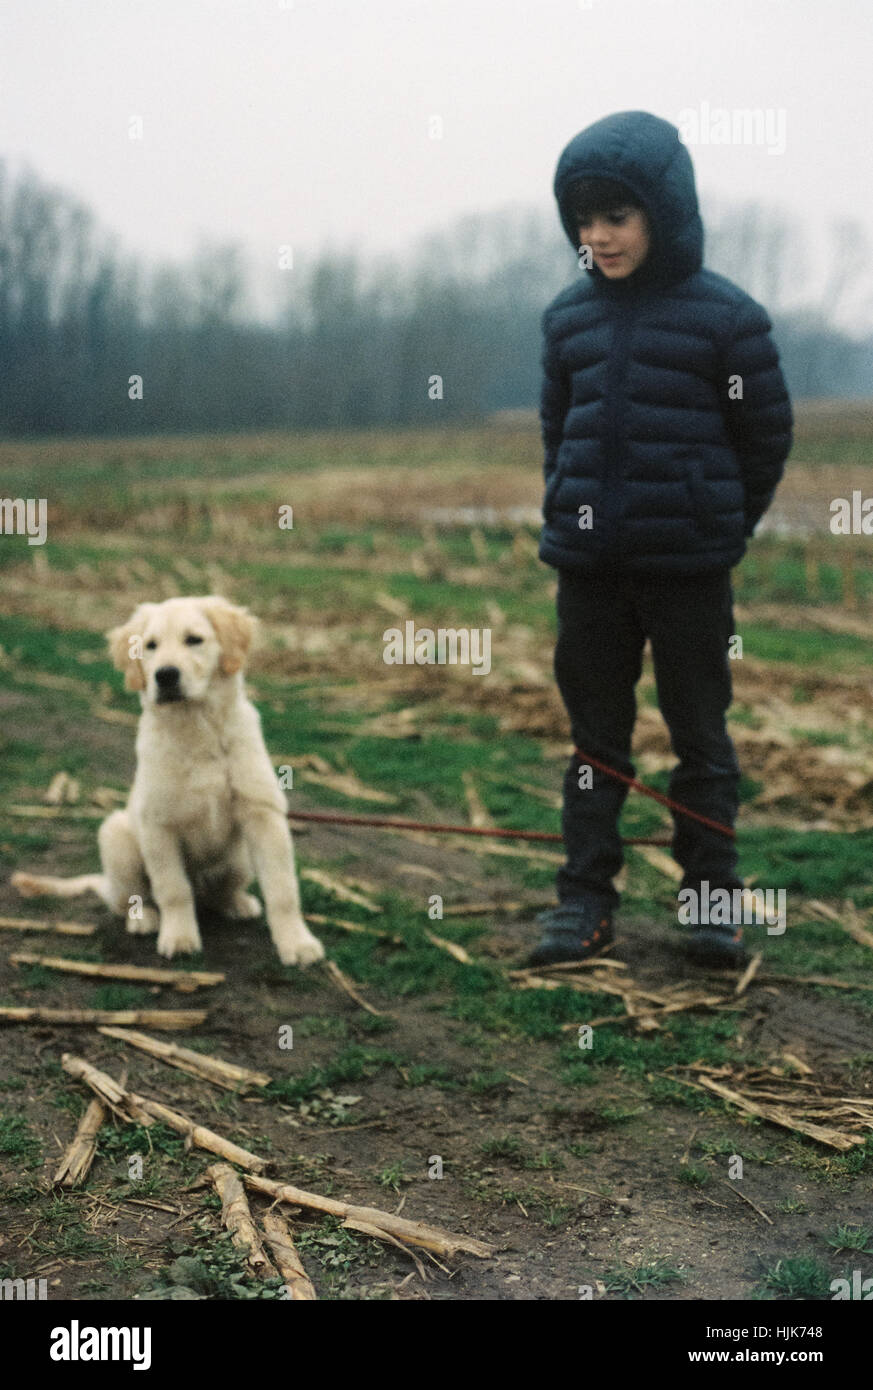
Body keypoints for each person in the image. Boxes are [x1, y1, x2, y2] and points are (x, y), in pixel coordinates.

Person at [529, 110, 792, 969]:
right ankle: (581, 906)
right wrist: (573, 515)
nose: (597, 236)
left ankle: (710, 903)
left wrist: (716, 526)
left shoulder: (728, 321)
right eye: (584, 218)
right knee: (593, 743)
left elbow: (764, 442)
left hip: (688, 573)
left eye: (617, 216)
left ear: (663, 213)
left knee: (699, 740)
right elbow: (557, 434)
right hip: (589, 574)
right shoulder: (566, 321)